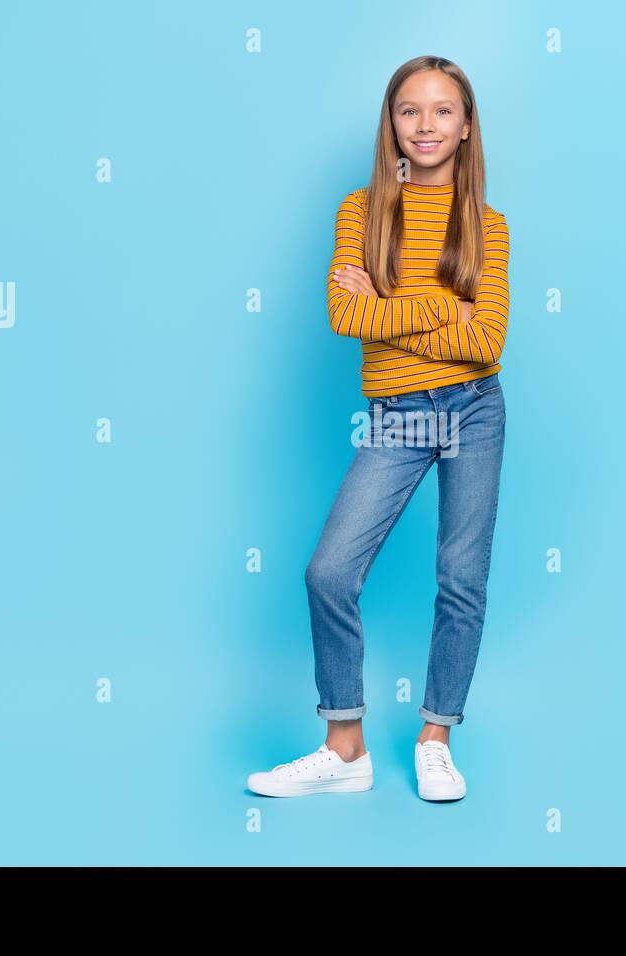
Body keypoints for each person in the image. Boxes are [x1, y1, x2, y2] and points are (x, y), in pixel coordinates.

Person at [247, 55, 510, 802]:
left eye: (443, 111)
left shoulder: (488, 225)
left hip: (475, 409)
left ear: (465, 128)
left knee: (461, 580)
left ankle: (436, 737)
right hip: (397, 417)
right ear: (391, 124)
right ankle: (346, 747)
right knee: (329, 572)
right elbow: (345, 315)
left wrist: (396, 308)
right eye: (409, 110)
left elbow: (486, 344)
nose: (425, 125)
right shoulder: (361, 212)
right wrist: (441, 310)